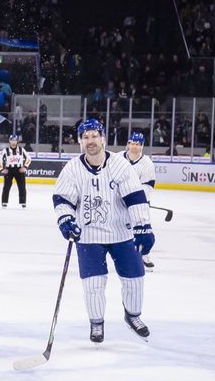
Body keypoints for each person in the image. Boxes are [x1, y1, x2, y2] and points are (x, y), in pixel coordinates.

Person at [52, 119, 154, 344]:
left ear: (103, 138)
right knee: (94, 284)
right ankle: (96, 322)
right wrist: (65, 219)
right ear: (80, 141)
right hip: (88, 237)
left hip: (122, 233)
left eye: (94, 136)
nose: (90, 141)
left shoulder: (120, 165)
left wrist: (143, 226)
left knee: (135, 278)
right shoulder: (72, 168)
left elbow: (135, 197)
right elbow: (62, 198)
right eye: (85, 137)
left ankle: (133, 315)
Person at [121, 131, 158, 270]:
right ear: (127, 144)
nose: (134, 146)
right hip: (118, 201)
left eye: (137, 144)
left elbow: (147, 187)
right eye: (131, 143)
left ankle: (145, 254)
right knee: (119, 230)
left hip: (139, 202)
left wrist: (134, 200)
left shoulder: (147, 164)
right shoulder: (118, 158)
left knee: (145, 232)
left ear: (142, 146)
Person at [0, 133, 32, 208]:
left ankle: (23, 202)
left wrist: (25, 167)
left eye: (15, 140)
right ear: (9, 141)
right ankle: (4, 202)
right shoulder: (5, 150)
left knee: (22, 187)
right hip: (9, 170)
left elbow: (29, 158)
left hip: (19, 170)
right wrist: (1, 169)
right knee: (6, 187)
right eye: (12, 140)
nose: (13, 142)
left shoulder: (21, 149)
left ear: (17, 141)